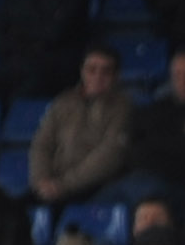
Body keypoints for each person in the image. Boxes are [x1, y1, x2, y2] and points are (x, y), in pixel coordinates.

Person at [28, 45, 133, 206]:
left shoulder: (123, 107)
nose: (98, 76)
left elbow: (110, 155)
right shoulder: (63, 101)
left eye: (106, 71)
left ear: (116, 75)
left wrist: (63, 185)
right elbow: (41, 143)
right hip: (52, 184)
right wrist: (41, 180)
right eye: (92, 70)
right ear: (82, 71)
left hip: (96, 187)